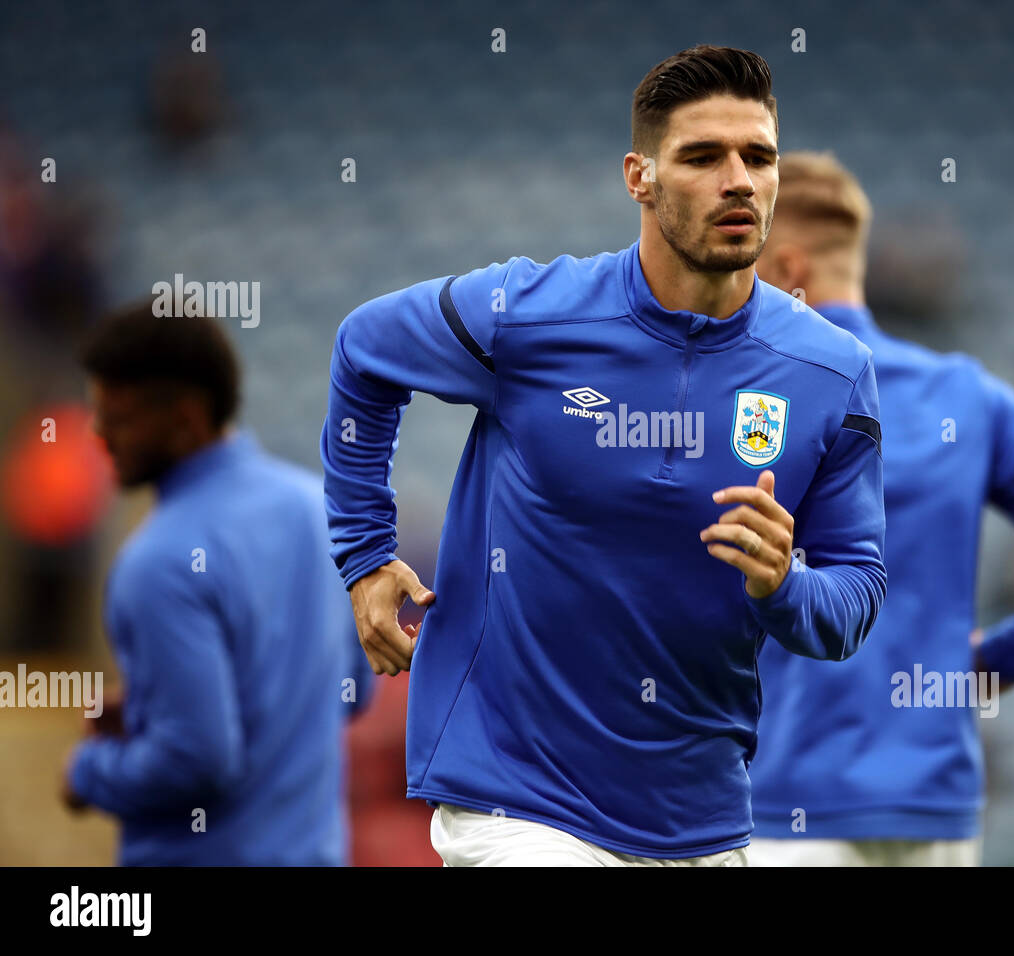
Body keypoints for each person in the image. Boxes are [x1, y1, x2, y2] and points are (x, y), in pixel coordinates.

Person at [320, 46, 887, 866]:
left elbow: (855, 597)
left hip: (701, 815)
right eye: (702, 157)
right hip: (515, 795)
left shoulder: (833, 374)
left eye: (757, 157)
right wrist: (366, 555)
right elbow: (363, 351)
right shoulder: (529, 314)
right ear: (640, 177)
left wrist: (782, 584)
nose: (738, 180)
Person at [748, 152, 1014, 866]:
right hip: (935, 810)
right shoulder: (966, 396)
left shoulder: (746, 404)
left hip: (784, 803)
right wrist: (1001, 660)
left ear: (787, 267)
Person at [64, 302, 370, 865]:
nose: (98, 433)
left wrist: (87, 772)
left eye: (117, 415)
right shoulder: (320, 511)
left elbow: (197, 760)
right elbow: (349, 687)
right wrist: (156, 705)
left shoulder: (157, 561)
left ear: (185, 418)